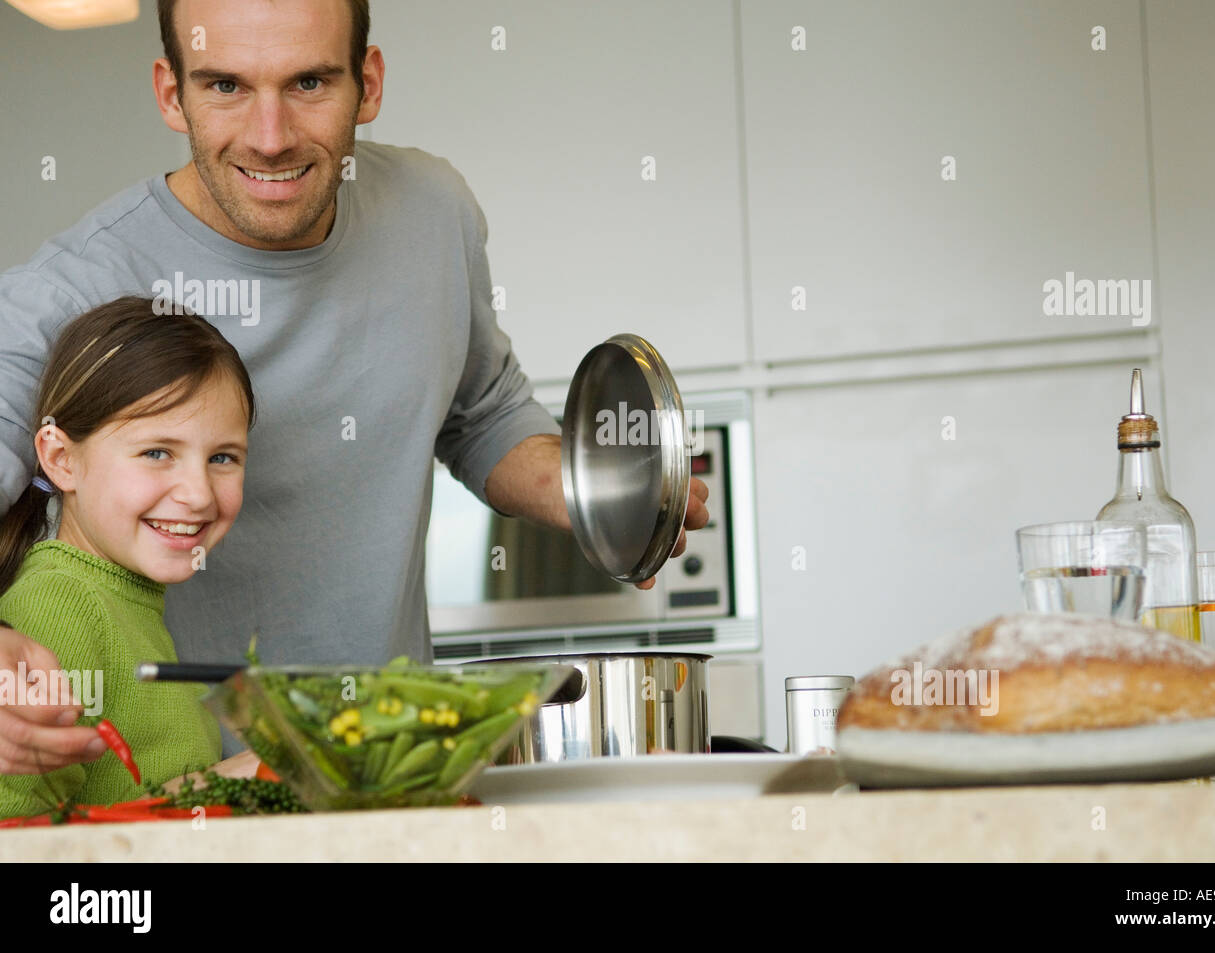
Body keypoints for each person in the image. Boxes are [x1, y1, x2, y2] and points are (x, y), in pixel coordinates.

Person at [0, 0, 708, 775]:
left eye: (309, 82)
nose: (270, 138)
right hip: (186, 798)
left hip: (388, 774)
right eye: (226, 86)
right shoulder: (70, 293)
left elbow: (483, 409)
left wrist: (595, 488)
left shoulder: (432, 214)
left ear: (367, 82)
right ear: (173, 94)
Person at [0, 296, 253, 814]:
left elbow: (128, 798)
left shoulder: (128, 598)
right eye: (157, 452)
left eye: (222, 457)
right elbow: (21, 837)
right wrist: (247, 777)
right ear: (61, 459)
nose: (200, 493)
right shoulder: (56, 607)